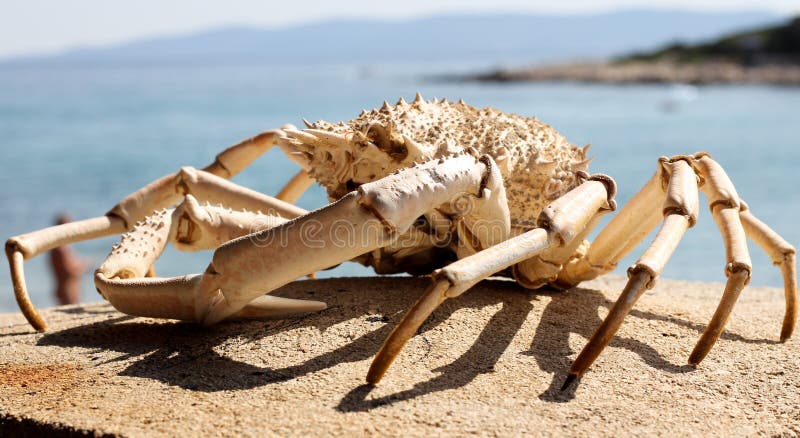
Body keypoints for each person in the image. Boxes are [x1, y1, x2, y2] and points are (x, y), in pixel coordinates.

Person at [49, 213, 90, 305]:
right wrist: (83, 266)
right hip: (66, 290)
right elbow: (68, 271)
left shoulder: (60, 247)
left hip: (67, 289)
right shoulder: (59, 249)